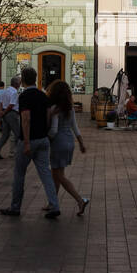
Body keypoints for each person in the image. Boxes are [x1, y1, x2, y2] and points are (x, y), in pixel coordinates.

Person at [1, 66, 61, 218]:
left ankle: (15, 207)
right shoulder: (43, 96)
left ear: (22, 80)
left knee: (19, 174)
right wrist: (45, 132)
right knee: (46, 174)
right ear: (35, 79)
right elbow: (48, 116)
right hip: (43, 139)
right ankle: (54, 205)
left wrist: (27, 142)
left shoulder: (24, 97)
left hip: (29, 140)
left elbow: (26, 119)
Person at [46, 80, 90, 215]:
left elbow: (53, 131)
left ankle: (80, 200)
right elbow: (75, 128)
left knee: (59, 176)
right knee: (57, 174)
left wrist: (45, 137)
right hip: (69, 141)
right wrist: (81, 143)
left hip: (58, 143)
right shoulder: (70, 108)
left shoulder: (55, 109)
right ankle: (52, 203)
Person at [0, 76, 21, 159]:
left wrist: (1, 112)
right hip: (11, 114)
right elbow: (11, 105)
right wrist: (4, 112)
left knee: (5, 134)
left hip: (5, 113)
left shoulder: (6, 91)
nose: (20, 83)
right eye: (19, 82)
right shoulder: (14, 92)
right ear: (17, 84)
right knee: (18, 134)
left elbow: (1, 102)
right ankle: (18, 153)